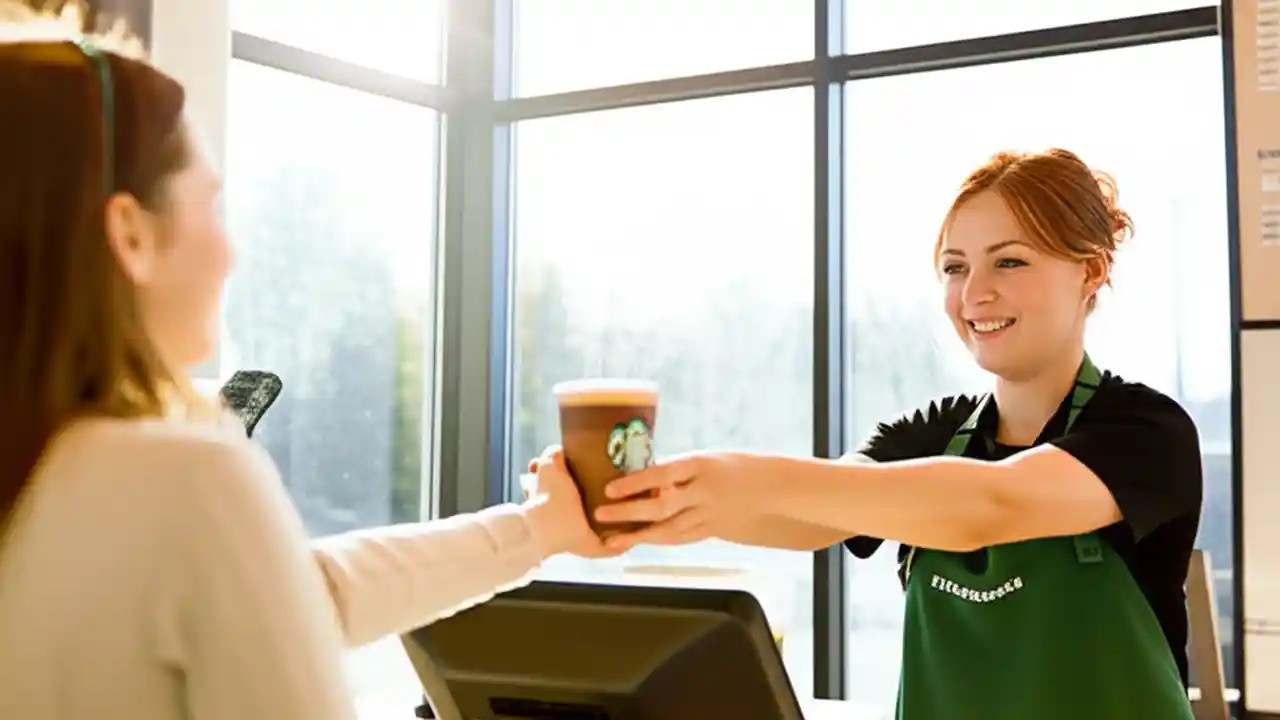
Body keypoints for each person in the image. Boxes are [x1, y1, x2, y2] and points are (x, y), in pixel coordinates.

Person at [0, 5, 606, 720]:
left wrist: (536, 532)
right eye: (211, 210)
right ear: (130, 233)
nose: (232, 256)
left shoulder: (46, 480)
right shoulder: (183, 477)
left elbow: (304, 595)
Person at [573, 148, 1203, 719]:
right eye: (956, 269)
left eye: (1009, 262)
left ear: (1090, 272)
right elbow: (812, 516)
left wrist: (742, 475)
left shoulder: (1145, 432)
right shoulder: (934, 434)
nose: (974, 294)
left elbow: (989, 505)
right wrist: (653, 504)